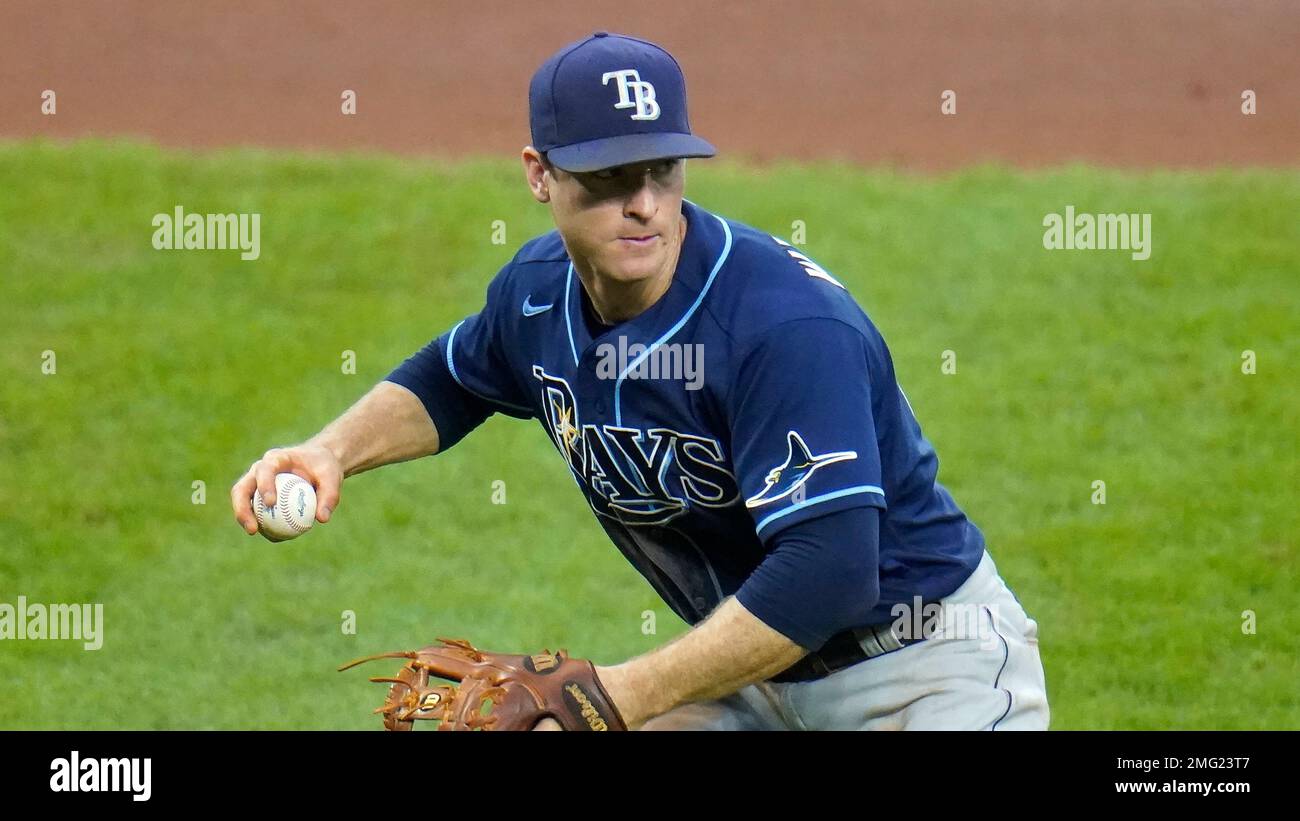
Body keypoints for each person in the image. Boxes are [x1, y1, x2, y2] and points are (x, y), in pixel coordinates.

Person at [231, 31, 1049, 730]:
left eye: (662, 170)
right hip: (749, 664)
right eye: (610, 177)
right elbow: (454, 380)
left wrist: (611, 696)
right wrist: (331, 450)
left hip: (922, 671)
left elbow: (831, 574)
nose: (645, 204)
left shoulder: (783, 329)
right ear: (539, 174)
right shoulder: (536, 294)